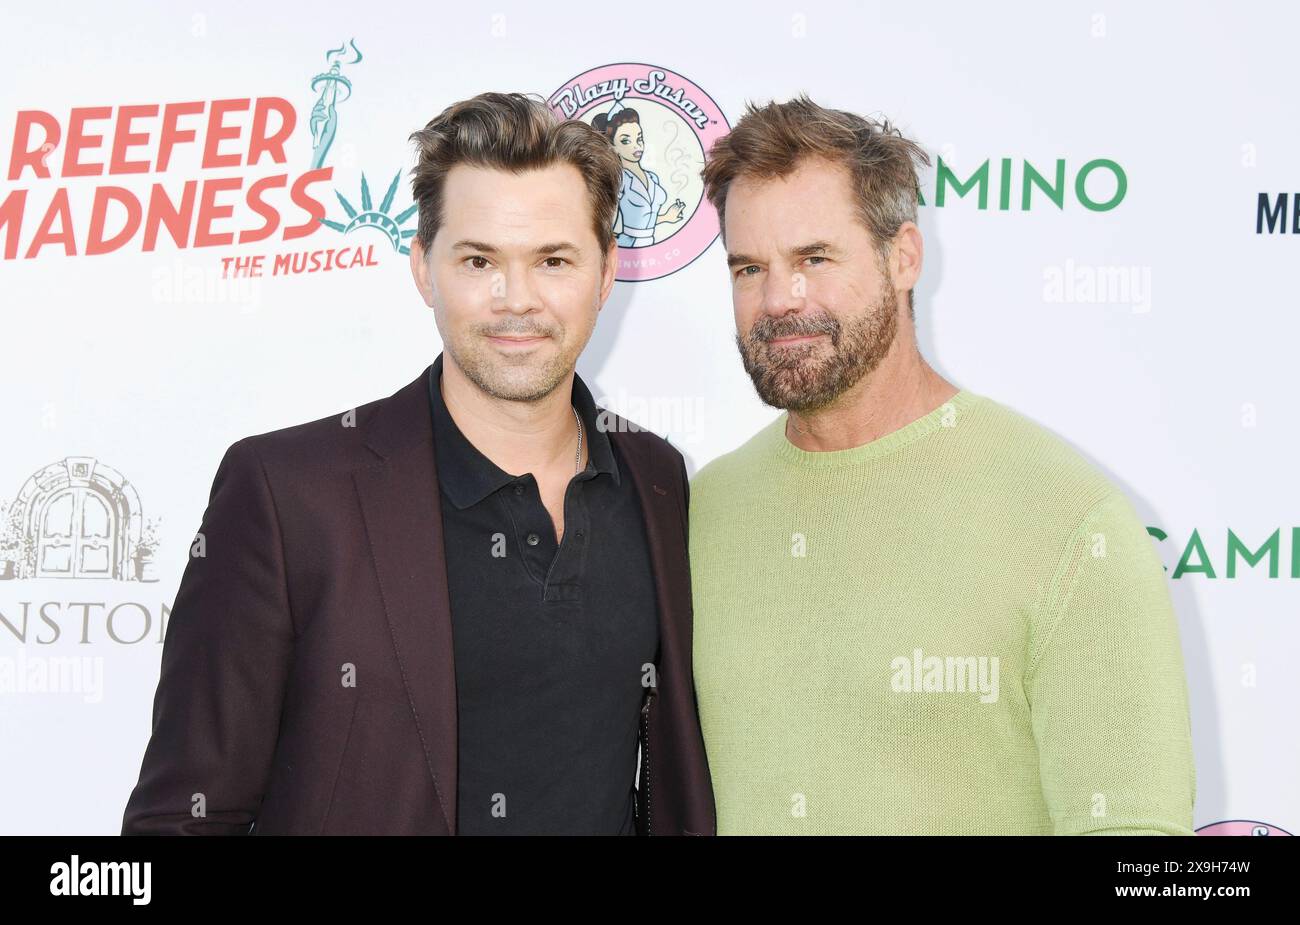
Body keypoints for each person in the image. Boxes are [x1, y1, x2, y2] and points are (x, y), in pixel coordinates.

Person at [121, 92, 715, 836]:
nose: (516, 300)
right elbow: (183, 815)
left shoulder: (656, 479)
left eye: (553, 260)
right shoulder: (288, 495)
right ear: (424, 270)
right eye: (478, 260)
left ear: (604, 275)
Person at [689, 94, 1196, 835]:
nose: (778, 300)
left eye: (815, 258)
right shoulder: (705, 509)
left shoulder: (1070, 521)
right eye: (747, 269)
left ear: (904, 258)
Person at [592, 100, 685, 247]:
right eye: (626, 141)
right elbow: (612, 223)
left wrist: (667, 217)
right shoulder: (619, 179)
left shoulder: (652, 177)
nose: (637, 145)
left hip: (649, 242)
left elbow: (644, 219)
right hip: (627, 244)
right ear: (613, 146)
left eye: (639, 138)